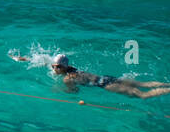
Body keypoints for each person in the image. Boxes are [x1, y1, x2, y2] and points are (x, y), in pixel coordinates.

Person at [15, 53, 170, 99]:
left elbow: (74, 92)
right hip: (106, 77)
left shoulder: (68, 78)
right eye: (54, 66)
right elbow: (44, 61)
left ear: (65, 67)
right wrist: (24, 59)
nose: (55, 69)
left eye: (58, 67)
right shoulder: (69, 69)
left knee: (143, 95)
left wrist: (59, 90)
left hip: (106, 85)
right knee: (142, 84)